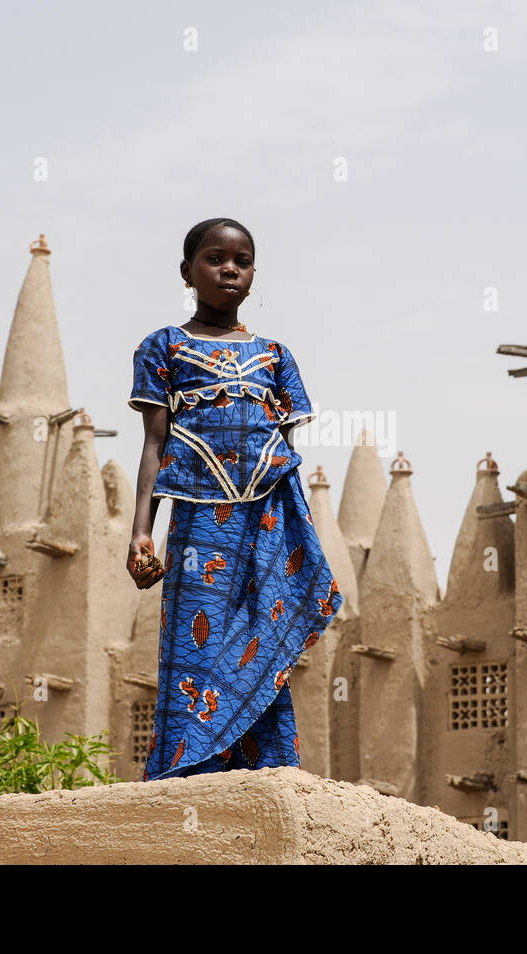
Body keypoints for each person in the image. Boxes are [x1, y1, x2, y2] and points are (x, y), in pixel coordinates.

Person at [127, 217, 344, 781]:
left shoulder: (275, 355)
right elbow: (154, 444)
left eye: (241, 261)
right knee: (195, 642)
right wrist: (141, 531)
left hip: (268, 517)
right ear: (187, 272)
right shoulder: (164, 347)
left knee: (261, 636)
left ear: (252, 274)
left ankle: (265, 774)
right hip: (199, 518)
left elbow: (285, 452)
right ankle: (187, 771)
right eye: (215, 258)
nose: (229, 269)